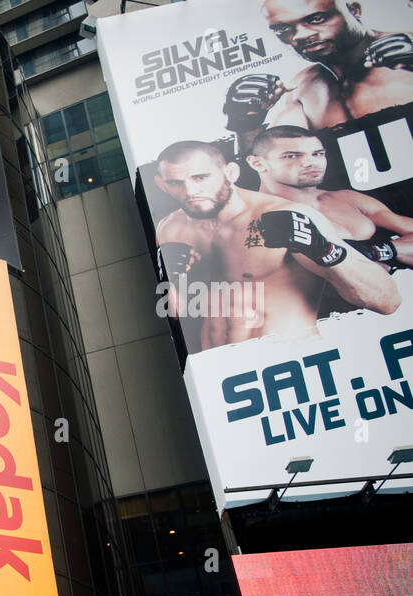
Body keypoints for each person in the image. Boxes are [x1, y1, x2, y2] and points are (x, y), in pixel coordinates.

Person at [152, 140, 400, 350]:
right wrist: (172, 281)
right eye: (176, 183)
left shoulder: (287, 215)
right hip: (221, 367)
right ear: (162, 185)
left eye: (201, 177)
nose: (190, 191)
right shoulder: (170, 229)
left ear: (230, 173)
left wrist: (327, 252)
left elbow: (387, 301)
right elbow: (175, 317)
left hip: (291, 356)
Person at [223, 0, 413, 148]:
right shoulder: (301, 89)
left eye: (316, 19)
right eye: (282, 28)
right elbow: (267, 167)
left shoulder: (407, 52)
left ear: (354, 10)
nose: (300, 36)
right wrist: (245, 121)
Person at [247, 125, 413, 267]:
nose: (310, 162)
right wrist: (391, 250)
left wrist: (376, 252)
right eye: (291, 156)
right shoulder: (254, 219)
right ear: (257, 163)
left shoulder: (346, 199)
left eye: (317, 154)